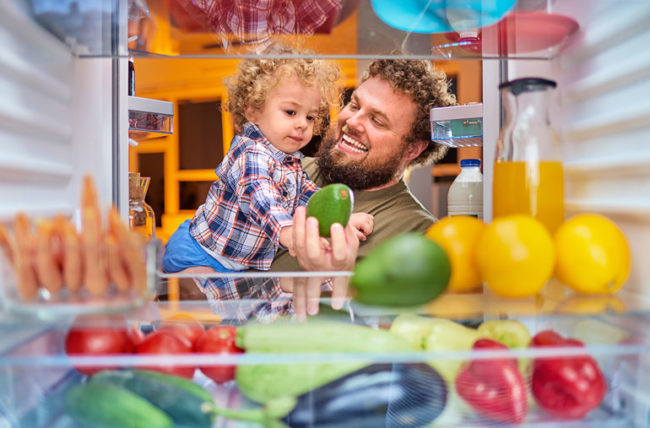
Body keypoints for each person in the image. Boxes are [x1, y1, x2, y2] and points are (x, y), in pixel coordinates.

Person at [162, 46, 373, 275]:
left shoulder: (290, 162)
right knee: (199, 297)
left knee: (235, 306)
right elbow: (259, 196)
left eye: (310, 116)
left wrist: (341, 220)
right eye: (291, 112)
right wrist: (288, 232)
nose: (303, 123)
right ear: (253, 110)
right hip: (199, 253)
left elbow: (309, 198)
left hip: (236, 266)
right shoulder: (251, 153)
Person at [271, 56, 457, 272]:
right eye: (354, 105)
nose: (352, 121)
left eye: (377, 121)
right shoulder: (286, 169)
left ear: (413, 148)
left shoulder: (417, 232)